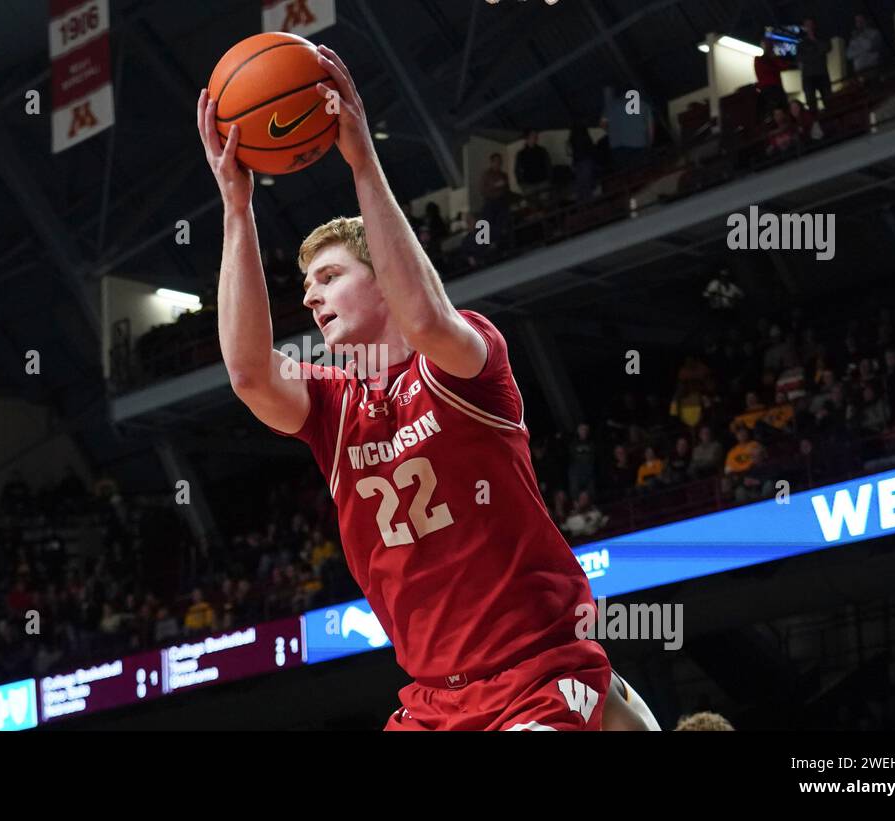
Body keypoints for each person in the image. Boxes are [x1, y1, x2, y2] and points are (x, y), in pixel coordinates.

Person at [197, 46, 612, 731]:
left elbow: (421, 315)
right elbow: (248, 372)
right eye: (307, 288)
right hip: (434, 701)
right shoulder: (331, 406)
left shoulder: (464, 360)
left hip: (539, 671)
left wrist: (363, 163)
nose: (313, 298)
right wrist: (235, 208)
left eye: (329, 277)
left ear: (381, 276)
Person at [797, 18, 833, 112]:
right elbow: (800, 59)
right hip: (808, 76)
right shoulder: (801, 44)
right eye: (807, 25)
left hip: (821, 73)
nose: (809, 27)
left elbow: (827, 48)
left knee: (829, 101)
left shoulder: (822, 39)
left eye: (811, 24)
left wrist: (814, 40)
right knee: (811, 103)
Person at [754, 36, 793, 120]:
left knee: (784, 112)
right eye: (766, 44)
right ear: (762, 46)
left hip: (776, 89)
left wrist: (774, 59)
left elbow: (784, 66)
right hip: (768, 90)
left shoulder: (774, 59)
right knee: (773, 113)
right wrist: (774, 63)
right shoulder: (759, 59)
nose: (769, 46)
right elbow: (766, 70)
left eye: (770, 44)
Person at [515, 129, 552, 204]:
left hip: (542, 182)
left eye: (536, 135)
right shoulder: (521, 154)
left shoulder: (542, 150)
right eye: (533, 135)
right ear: (527, 138)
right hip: (528, 184)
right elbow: (517, 169)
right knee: (533, 205)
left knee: (545, 205)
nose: (536, 137)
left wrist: (549, 178)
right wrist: (521, 183)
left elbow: (548, 164)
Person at [846, 14, 884, 78]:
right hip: (859, 71)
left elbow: (870, 46)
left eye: (861, 20)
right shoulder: (854, 38)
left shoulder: (874, 33)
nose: (859, 23)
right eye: (857, 21)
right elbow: (849, 55)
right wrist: (862, 50)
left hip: (871, 68)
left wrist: (861, 38)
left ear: (866, 21)